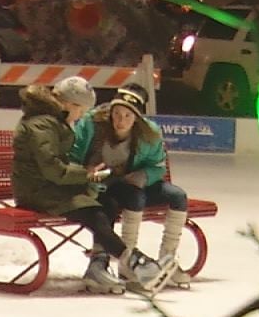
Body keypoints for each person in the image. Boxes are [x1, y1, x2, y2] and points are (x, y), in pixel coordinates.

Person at [11, 78, 171, 294]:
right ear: (70, 104)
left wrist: (88, 176)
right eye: (81, 109)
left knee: (104, 205)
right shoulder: (41, 124)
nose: (81, 116)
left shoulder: (51, 121)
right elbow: (54, 170)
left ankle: (105, 266)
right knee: (94, 212)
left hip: (49, 187)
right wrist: (88, 175)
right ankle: (135, 263)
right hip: (37, 191)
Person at [68, 82, 193, 289]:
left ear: (137, 118)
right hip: (98, 186)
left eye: (128, 116)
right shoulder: (91, 124)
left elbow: (158, 166)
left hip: (130, 183)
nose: (121, 121)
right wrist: (85, 171)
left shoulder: (149, 133)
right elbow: (73, 155)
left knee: (178, 196)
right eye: (117, 114)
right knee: (130, 199)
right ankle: (127, 264)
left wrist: (143, 175)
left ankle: (168, 258)